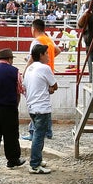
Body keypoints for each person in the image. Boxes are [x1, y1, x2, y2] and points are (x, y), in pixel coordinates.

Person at [24, 44, 57, 174]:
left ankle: (38, 159)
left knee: (39, 135)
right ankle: (35, 164)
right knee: (38, 136)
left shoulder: (30, 68)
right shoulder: (45, 68)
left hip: (32, 106)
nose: (48, 56)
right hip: (41, 107)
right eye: (47, 53)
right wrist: (50, 89)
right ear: (41, 55)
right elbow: (54, 85)